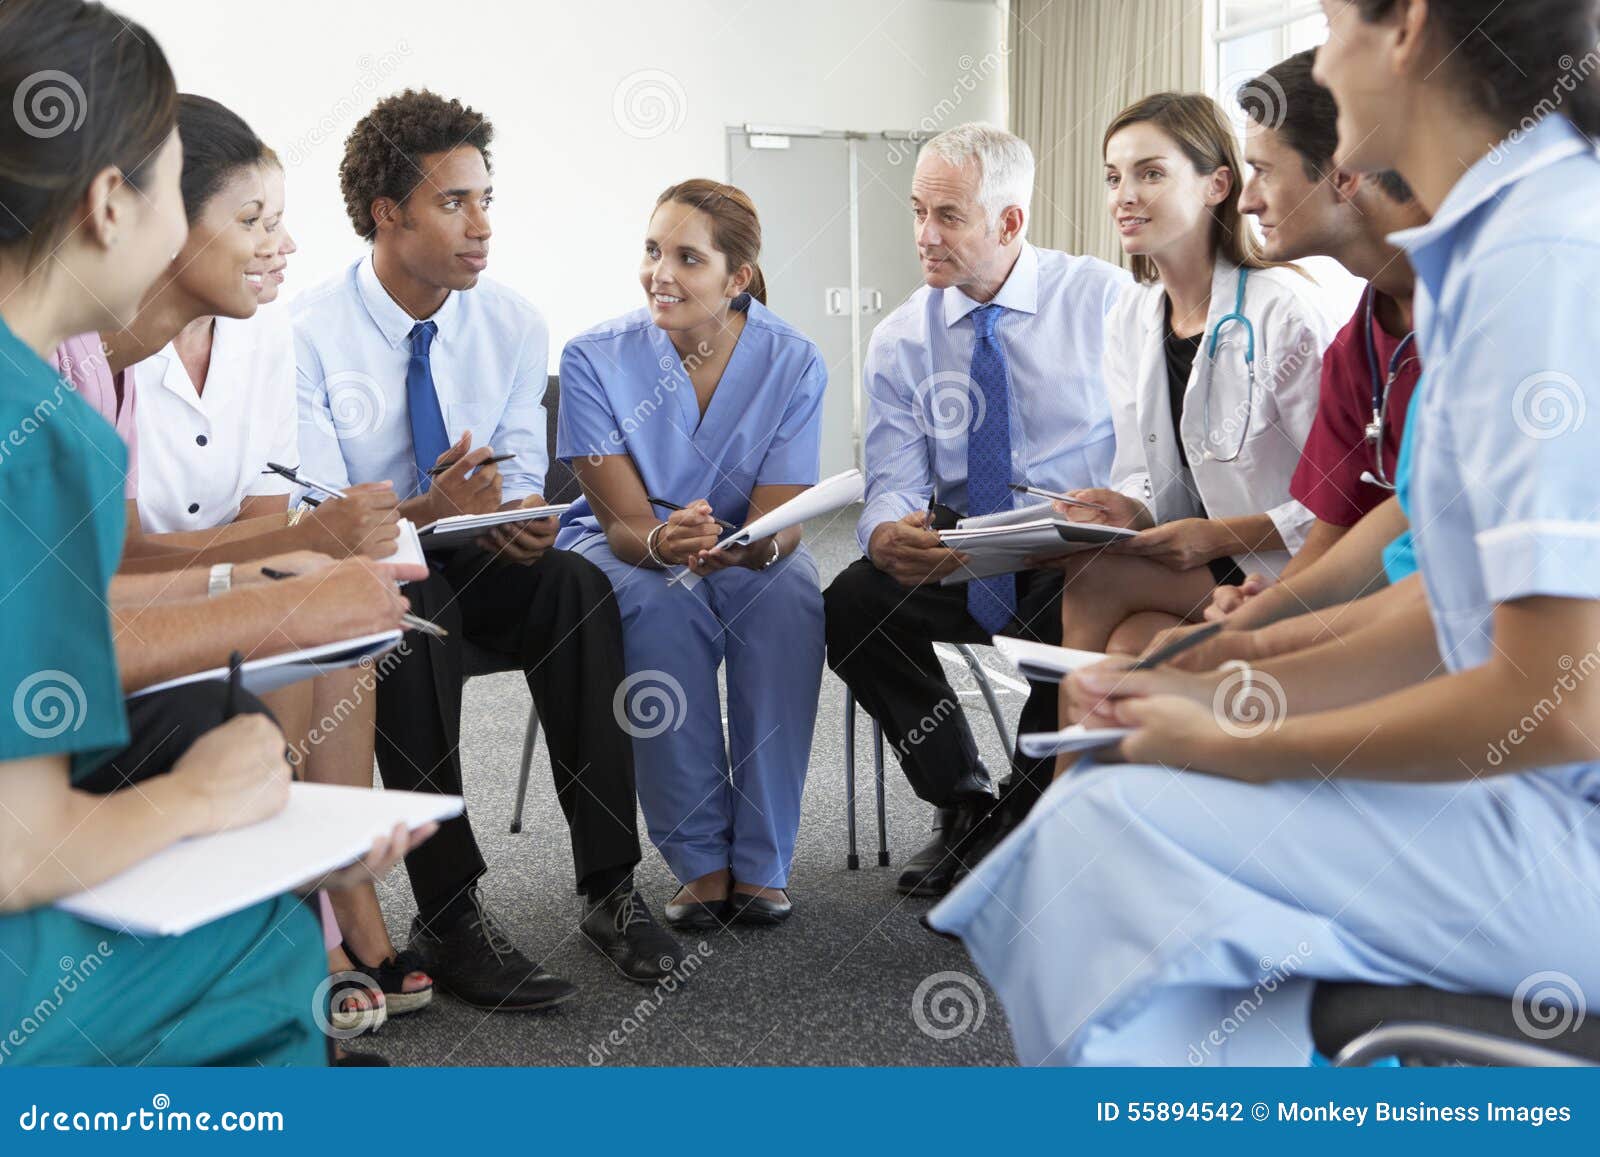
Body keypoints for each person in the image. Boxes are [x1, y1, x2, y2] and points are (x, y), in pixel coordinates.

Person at [930, 2, 1600, 1066]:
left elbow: (1560, 705)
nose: (1322, 63)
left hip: (1564, 825)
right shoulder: (1495, 249)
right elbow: (1451, 604)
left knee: (1110, 828)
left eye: (1330, 25)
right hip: (1535, 792)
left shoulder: (1542, 258)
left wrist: (1238, 734)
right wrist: (1229, 672)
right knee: (1124, 788)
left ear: (1405, 28)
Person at [0, 0, 423, 1066]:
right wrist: (201, 798)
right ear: (112, 204)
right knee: (262, 943)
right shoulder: (39, 428)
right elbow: (18, 849)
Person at [294, 89, 681, 1002]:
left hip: (476, 556)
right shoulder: (307, 333)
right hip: (370, 572)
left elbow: (518, 474)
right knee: (411, 599)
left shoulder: (510, 321)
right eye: (454, 202)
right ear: (388, 214)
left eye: (486, 199)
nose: (482, 226)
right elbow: (317, 518)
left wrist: (526, 516)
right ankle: (449, 907)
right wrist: (423, 511)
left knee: (575, 584)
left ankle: (609, 884)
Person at [823, 123, 1130, 900]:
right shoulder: (902, 338)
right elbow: (894, 479)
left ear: (1009, 222)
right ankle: (963, 799)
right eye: (918, 211)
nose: (924, 235)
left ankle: (1021, 821)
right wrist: (886, 530)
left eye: (948, 216)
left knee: (1077, 612)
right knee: (853, 602)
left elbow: (1151, 447)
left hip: (1076, 553)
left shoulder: (1102, 302)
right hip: (967, 549)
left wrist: (1119, 510)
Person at [557, 180, 826, 928]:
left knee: (788, 597)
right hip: (630, 543)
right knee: (658, 605)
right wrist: (660, 543)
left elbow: (784, 519)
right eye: (652, 250)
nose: (660, 274)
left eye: (687, 258)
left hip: (748, 544)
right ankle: (701, 857)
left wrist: (753, 547)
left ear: (738, 278)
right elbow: (622, 522)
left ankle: (763, 859)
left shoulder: (794, 361)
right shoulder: (593, 358)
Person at [1042, 92, 1331, 659]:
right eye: (1113, 178)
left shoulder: (1282, 312)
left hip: (1291, 565)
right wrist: (1129, 509)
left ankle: (1062, 720)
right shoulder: (1131, 316)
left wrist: (1219, 536)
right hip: (1203, 561)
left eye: (1150, 174)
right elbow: (1141, 472)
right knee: (1132, 646)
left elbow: (1344, 499)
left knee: (1097, 577)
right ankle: (1079, 717)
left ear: (1216, 185)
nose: (1124, 196)